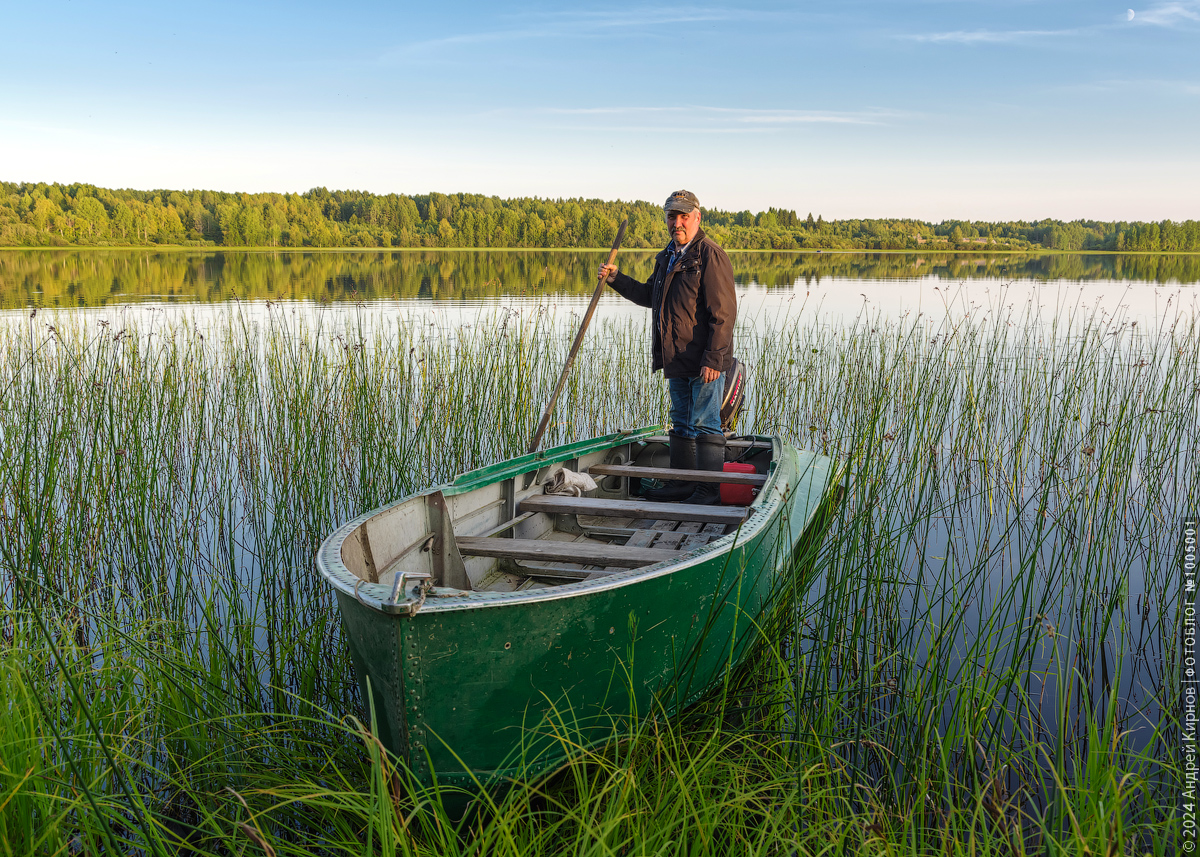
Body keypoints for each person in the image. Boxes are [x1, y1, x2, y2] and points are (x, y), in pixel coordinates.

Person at [598, 190, 736, 505]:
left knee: (705, 422)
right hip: (676, 358)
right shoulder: (668, 256)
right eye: (672, 216)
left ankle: (708, 489)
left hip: (704, 361)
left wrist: (714, 359)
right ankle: (683, 484)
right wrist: (616, 278)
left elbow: (724, 314)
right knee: (682, 421)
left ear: (697, 217)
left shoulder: (709, 255)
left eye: (683, 215)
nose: (677, 222)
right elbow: (650, 296)